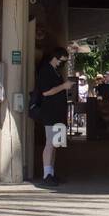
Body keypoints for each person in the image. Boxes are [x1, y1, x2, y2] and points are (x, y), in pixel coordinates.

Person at [33, 47, 71, 187]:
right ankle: (46, 174)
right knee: (50, 143)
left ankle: (51, 172)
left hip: (58, 112)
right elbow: (46, 92)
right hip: (50, 112)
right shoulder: (45, 71)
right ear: (56, 58)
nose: (63, 64)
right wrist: (63, 86)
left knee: (55, 143)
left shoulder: (55, 71)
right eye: (63, 61)